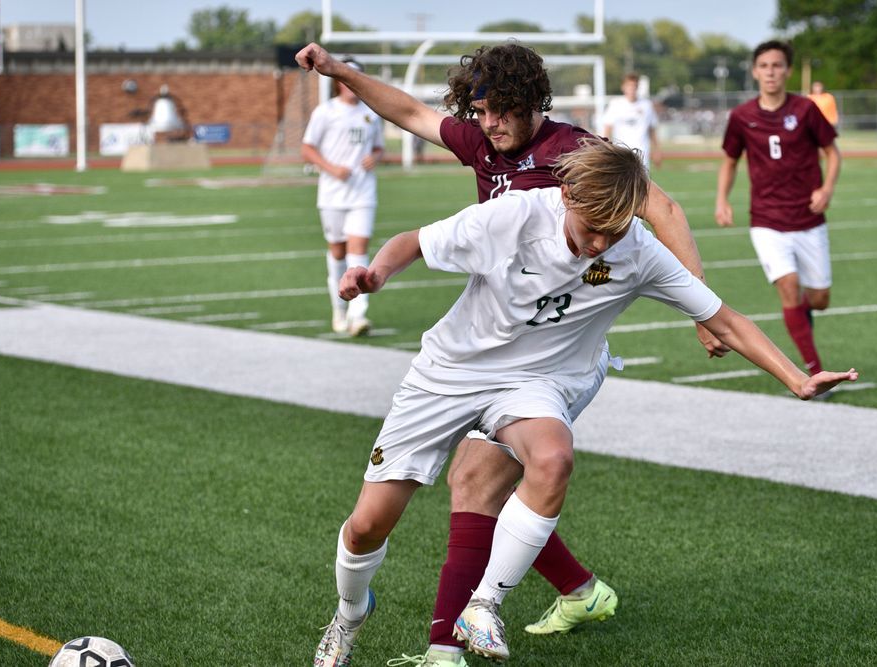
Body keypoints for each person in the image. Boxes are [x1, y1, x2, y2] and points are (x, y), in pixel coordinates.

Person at [315, 138, 857, 665]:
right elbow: (413, 241)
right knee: (367, 526)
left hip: (537, 380)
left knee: (553, 457)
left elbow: (725, 320)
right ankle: (348, 615)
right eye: (592, 229)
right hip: (449, 373)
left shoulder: (639, 249)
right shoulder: (514, 217)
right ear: (569, 196)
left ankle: (483, 605)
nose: (601, 245)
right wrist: (376, 274)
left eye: (614, 232)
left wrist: (796, 379)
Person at [298, 41, 729, 667]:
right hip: (488, 344)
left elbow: (660, 205)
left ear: (533, 104)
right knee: (460, 490)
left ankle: (444, 650)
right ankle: (579, 591)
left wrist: (703, 311)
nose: (490, 123)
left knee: (475, 481)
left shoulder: (573, 152)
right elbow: (413, 116)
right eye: (480, 112)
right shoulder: (482, 138)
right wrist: (340, 71)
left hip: (552, 357)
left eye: (503, 111)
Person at [716, 40, 841, 377]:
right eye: (765, 66)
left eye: (777, 65)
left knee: (819, 299)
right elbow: (730, 160)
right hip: (767, 220)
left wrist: (827, 189)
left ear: (787, 71)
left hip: (809, 218)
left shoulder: (806, 110)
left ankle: (803, 314)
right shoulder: (742, 116)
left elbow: (832, 152)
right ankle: (813, 371)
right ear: (755, 71)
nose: (771, 72)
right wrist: (722, 200)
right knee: (788, 287)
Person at [302, 58, 385, 337]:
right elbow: (308, 149)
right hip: (332, 195)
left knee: (358, 251)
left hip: (363, 193)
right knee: (337, 252)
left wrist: (374, 158)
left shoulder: (371, 114)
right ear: (339, 81)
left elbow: (378, 148)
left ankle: (358, 315)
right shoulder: (325, 112)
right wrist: (331, 168)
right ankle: (339, 309)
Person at [603, 72, 662, 168]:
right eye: (629, 85)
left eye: (634, 86)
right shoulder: (615, 104)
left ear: (637, 87)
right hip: (621, 152)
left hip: (642, 153)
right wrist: (605, 150)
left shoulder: (646, 105)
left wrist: (657, 150)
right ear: (623, 87)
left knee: (643, 182)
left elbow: (652, 130)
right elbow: (607, 130)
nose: (632, 89)